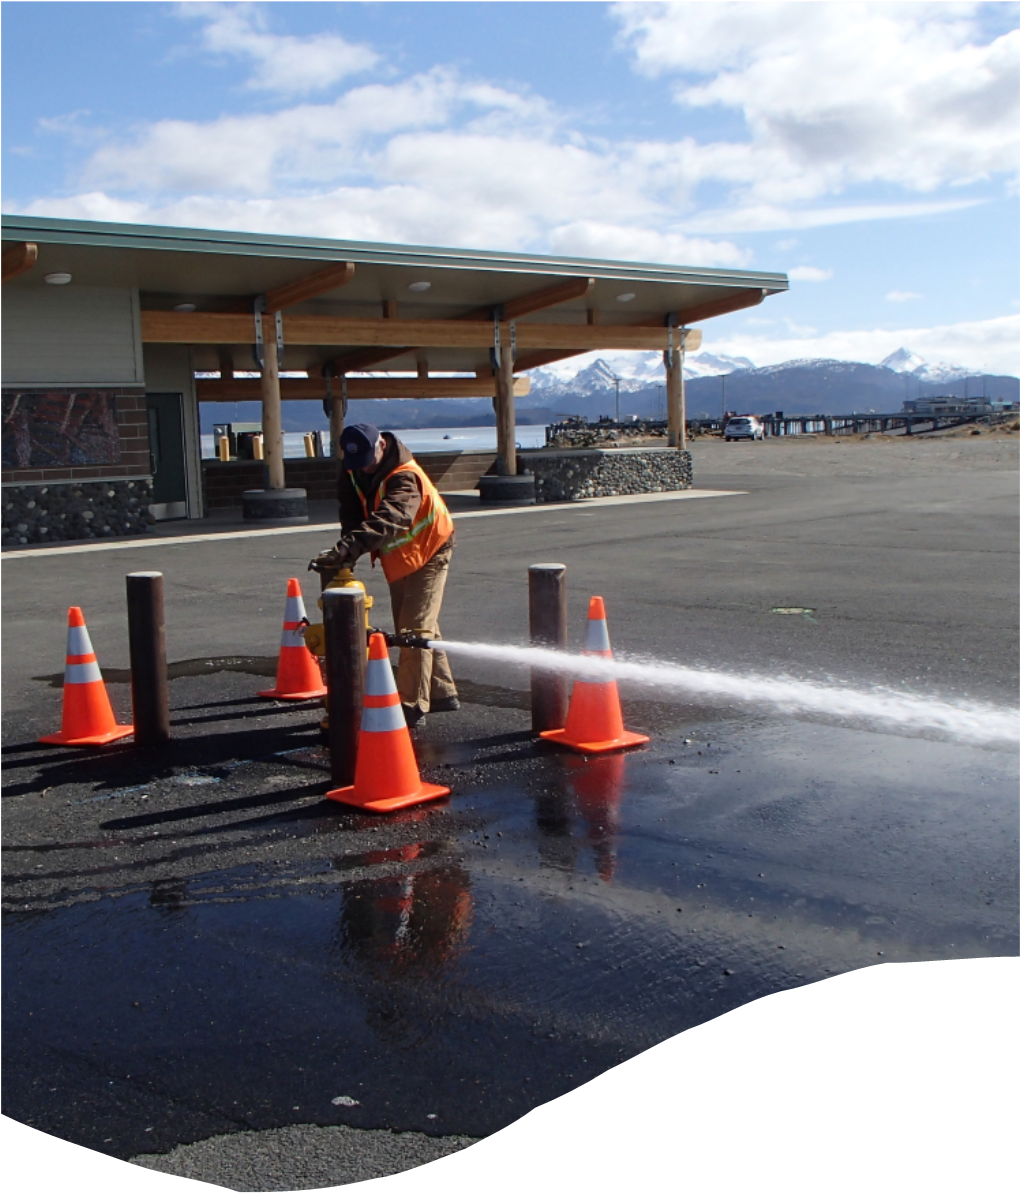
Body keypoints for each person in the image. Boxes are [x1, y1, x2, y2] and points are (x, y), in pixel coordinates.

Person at [310, 423, 459, 727]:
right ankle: (441, 691)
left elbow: (392, 517)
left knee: (413, 627)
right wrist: (346, 552)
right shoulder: (353, 471)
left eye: (367, 458)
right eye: (356, 462)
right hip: (401, 554)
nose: (363, 467)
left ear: (381, 445)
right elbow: (351, 513)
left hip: (431, 547)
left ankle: (411, 704)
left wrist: (349, 548)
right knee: (417, 620)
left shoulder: (405, 475)